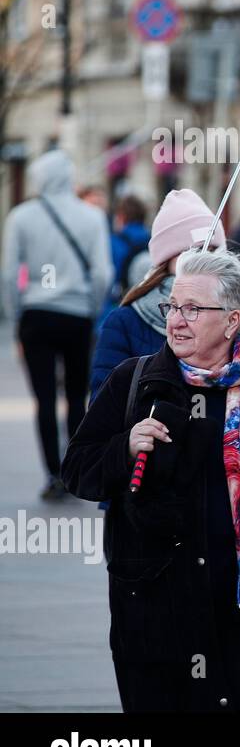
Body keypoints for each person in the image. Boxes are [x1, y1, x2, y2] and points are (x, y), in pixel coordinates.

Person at [62, 248, 240, 712]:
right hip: (156, 604)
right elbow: (77, 470)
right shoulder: (135, 380)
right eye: (172, 306)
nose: (176, 320)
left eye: (193, 309)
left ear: (233, 320)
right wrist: (124, 446)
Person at [2, 149, 113, 500]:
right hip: (77, 314)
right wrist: (92, 309)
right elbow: (103, 273)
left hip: (36, 314)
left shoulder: (20, 217)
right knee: (77, 397)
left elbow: (8, 275)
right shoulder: (92, 217)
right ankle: (75, 469)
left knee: (45, 398)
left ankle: (53, 473)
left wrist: (16, 314)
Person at [91, 189, 227, 398]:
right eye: (190, 253)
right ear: (166, 259)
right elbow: (102, 412)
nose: (202, 262)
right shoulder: (124, 323)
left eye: (211, 252)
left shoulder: (235, 318)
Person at [106, 194, 151, 312]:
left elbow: (107, 280)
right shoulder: (153, 240)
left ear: (121, 217)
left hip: (118, 306)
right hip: (146, 307)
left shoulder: (113, 243)